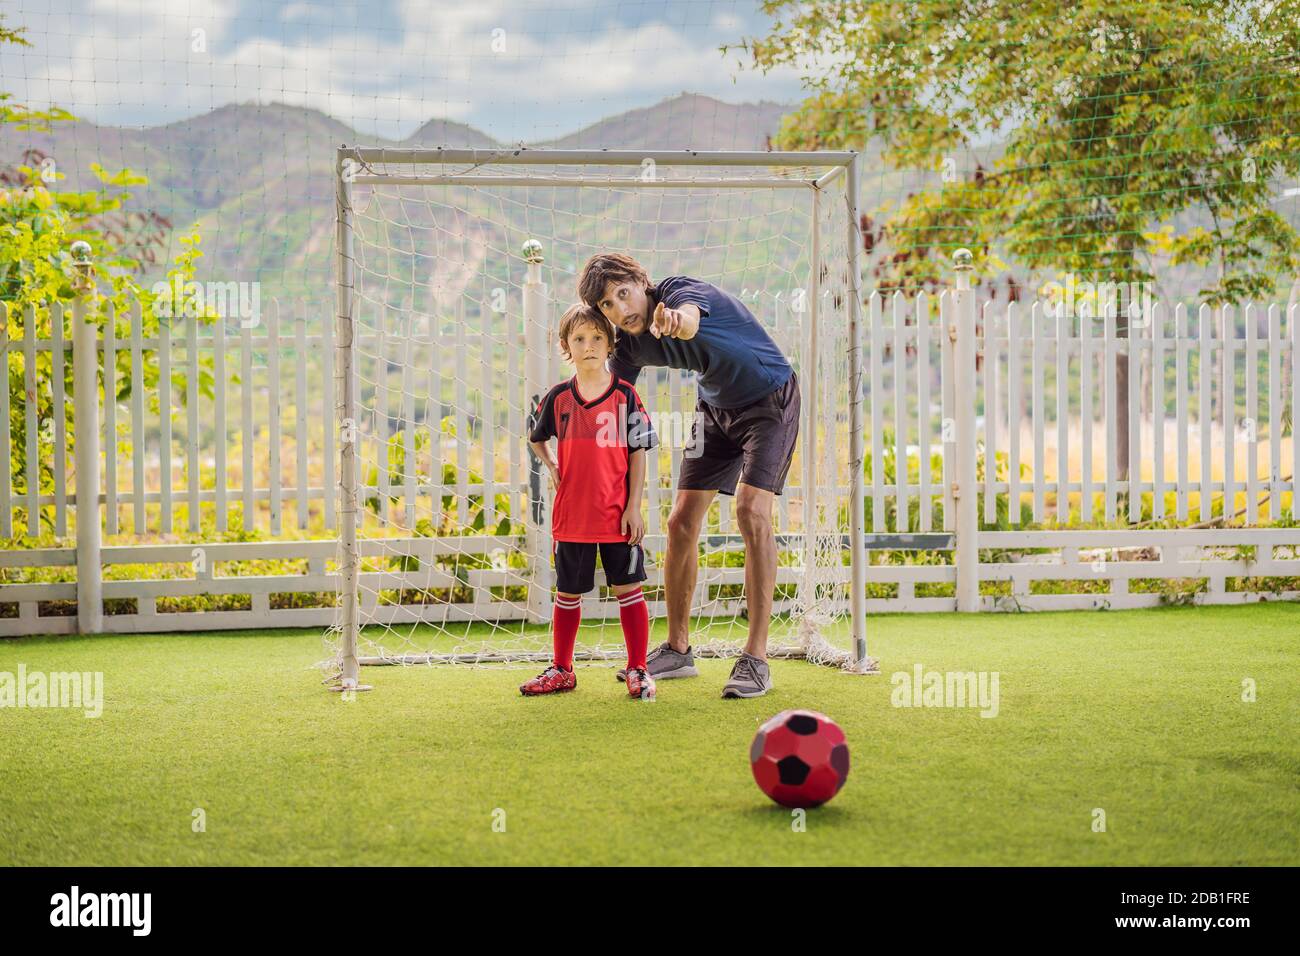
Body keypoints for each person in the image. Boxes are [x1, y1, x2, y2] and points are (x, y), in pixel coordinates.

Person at [578, 253, 800, 699]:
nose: (622, 309)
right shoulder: (627, 343)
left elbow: (690, 318)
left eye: (624, 293)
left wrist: (678, 321)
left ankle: (756, 657)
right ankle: (678, 650)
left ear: (643, 283)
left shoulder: (679, 292)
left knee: (751, 510)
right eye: (608, 305)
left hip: (769, 400)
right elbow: (612, 399)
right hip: (714, 411)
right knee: (681, 521)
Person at [523, 303, 659, 700]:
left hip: (617, 516)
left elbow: (638, 452)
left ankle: (638, 668)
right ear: (566, 345)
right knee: (567, 595)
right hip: (573, 517)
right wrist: (551, 466)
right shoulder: (559, 398)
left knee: (628, 589)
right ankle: (563, 669)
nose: (589, 346)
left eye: (597, 337)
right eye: (579, 339)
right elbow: (536, 437)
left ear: (611, 342)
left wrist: (634, 506)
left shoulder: (626, 396)